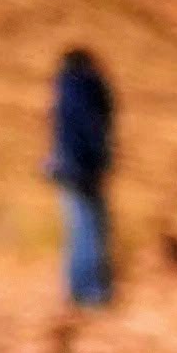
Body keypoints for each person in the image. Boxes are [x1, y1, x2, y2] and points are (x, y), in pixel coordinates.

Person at [46, 47, 115, 310]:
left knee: (77, 227)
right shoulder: (87, 88)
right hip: (84, 168)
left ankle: (76, 288)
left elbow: (61, 133)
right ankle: (93, 293)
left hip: (66, 168)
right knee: (91, 227)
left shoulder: (63, 89)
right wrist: (99, 163)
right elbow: (92, 131)